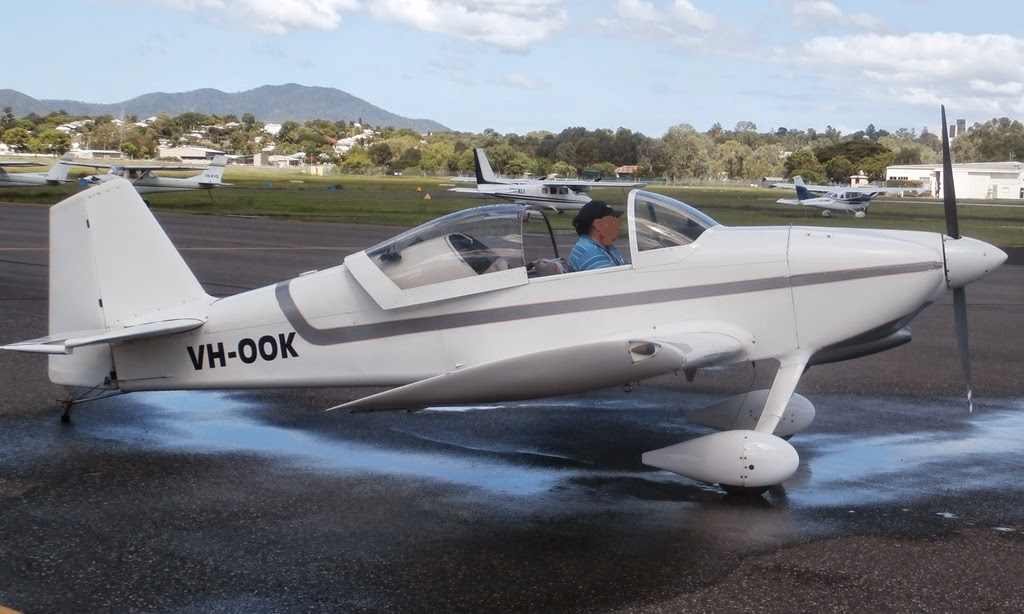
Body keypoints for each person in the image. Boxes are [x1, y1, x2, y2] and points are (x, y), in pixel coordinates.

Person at [568, 200, 627, 271]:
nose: (617, 223)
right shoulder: (591, 253)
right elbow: (611, 280)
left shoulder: (604, 247)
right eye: (611, 219)